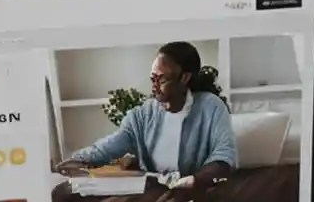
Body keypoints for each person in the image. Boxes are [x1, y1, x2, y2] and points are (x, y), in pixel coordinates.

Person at [56, 42, 237, 187]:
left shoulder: (211, 107)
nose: (154, 85)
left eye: (162, 79)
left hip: (197, 188)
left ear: (184, 78)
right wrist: (77, 160)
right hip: (154, 190)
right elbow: (108, 147)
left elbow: (224, 156)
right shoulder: (141, 115)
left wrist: (196, 180)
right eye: (152, 78)